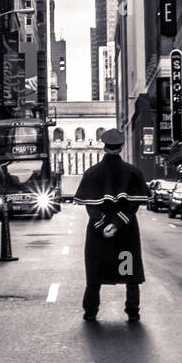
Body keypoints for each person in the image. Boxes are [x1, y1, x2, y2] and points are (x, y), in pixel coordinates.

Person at [74, 128, 147, 322]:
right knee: (129, 270)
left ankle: (90, 312)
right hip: (126, 231)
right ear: (121, 147)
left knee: (95, 272)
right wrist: (117, 224)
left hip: (98, 232)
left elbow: (90, 206)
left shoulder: (92, 173)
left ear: (103, 146)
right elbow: (133, 205)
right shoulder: (133, 172)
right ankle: (133, 311)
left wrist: (103, 224)